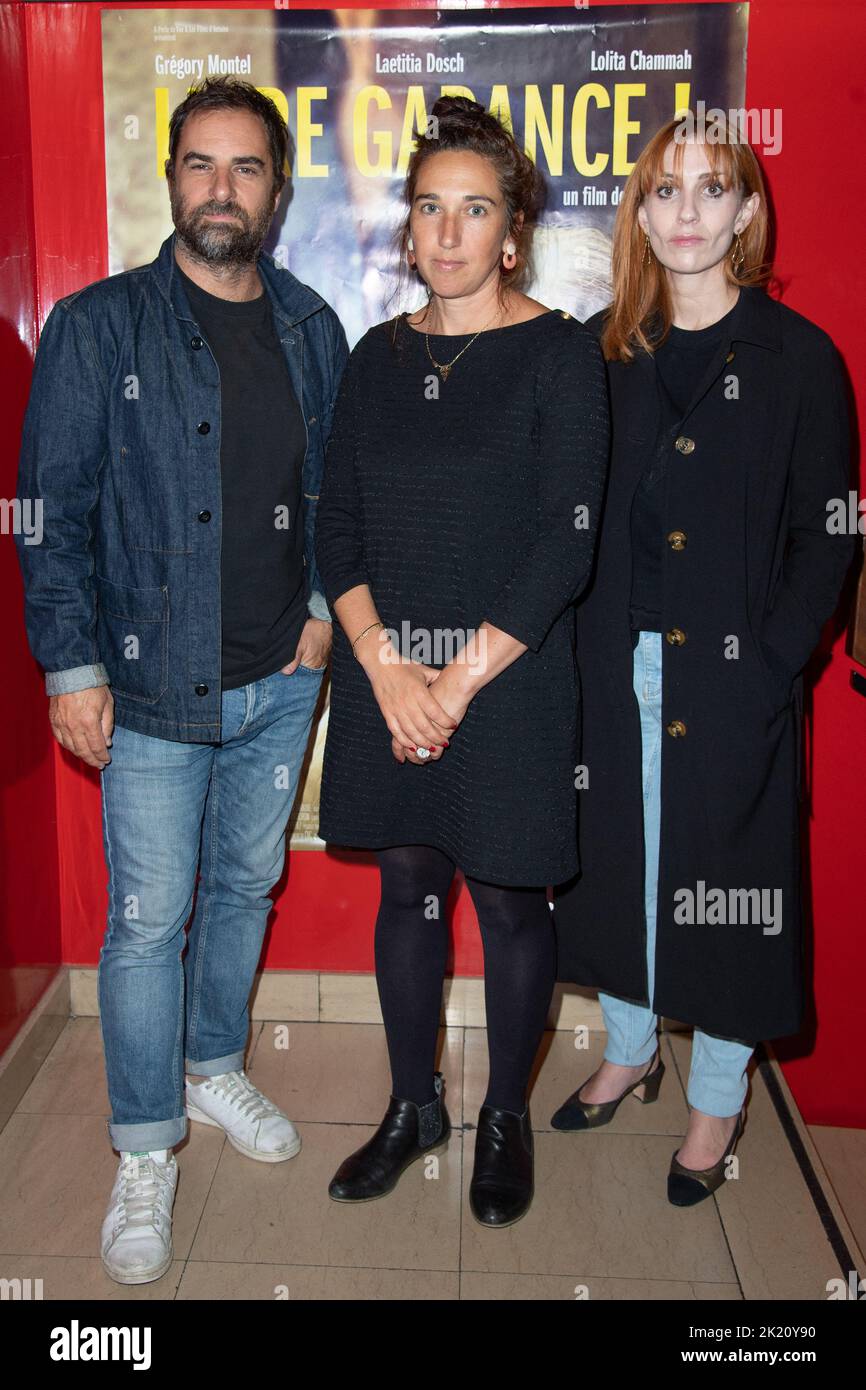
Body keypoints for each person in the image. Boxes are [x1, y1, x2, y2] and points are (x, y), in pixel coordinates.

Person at [14, 77, 349, 1283]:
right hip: (149, 689)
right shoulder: (99, 327)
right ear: (171, 180)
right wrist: (71, 664)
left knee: (246, 885)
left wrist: (318, 616)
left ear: (276, 189)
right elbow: (51, 514)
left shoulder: (315, 328)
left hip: (280, 681)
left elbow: (334, 501)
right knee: (148, 920)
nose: (221, 189)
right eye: (200, 165)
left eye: (245, 168)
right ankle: (146, 1143)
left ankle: (214, 1065)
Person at [314, 95, 610, 1227]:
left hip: (509, 680)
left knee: (507, 898)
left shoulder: (557, 355)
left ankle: (502, 1117)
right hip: (390, 680)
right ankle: (411, 1105)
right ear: (408, 226)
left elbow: (564, 539)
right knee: (407, 888)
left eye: (472, 209)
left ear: (510, 228)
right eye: (428, 207)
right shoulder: (372, 357)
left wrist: (450, 679)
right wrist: (387, 670)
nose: (447, 232)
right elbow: (332, 523)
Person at [551, 115, 857, 1205]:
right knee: (621, 881)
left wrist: (771, 663)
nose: (684, 211)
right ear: (637, 211)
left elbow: (828, 529)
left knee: (726, 896)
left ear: (743, 212)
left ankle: (716, 1096)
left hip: (728, 682)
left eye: (709, 189)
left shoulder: (797, 359)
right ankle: (631, 1049)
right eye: (663, 189)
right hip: (607, 672)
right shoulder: (599, 351)